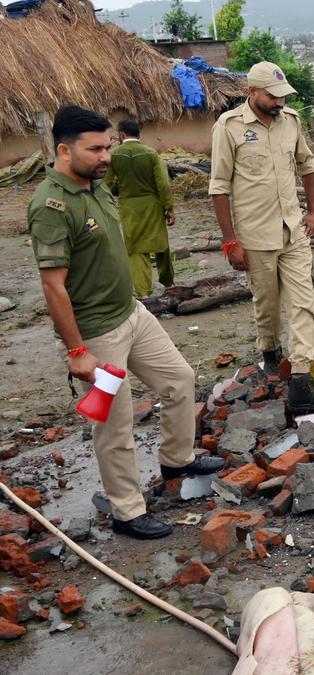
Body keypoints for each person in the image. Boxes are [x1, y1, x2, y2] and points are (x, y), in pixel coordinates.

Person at [27, 106, 224, 540]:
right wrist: (78, 351)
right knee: (114, 427)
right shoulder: (51, 205)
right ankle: (127, 512)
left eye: (108, 147)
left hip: (132, 314)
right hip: (97, 335)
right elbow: (53, 287)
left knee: (179, 380)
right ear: (64, 149)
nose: (105, 156)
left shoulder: (96, 186)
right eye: (95, 148)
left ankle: (177, 458)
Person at [208, 61, 314, 415]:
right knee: (266, 304)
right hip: (254, 235)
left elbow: (308, 165)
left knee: (303, 303)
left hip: (293, 230)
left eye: (283, 96)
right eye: (272, 95)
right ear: (251, 92)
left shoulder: (291, 122)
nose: (279, 101)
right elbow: (219, 187)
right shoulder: (230, 127)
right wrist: (230, 241)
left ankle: (300, 380)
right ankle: (269, 351)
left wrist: (312, 213)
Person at [103, 119, 175, 298]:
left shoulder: (115, 156)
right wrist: (169, 207)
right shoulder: (151, 154)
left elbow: (107, 185)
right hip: (153, 205)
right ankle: (168, 283)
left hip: (129, 208)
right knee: (161, 245)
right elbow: (163, 184)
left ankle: (143, 292)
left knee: (135, 249)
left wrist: (119, 190)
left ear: (121, 135)